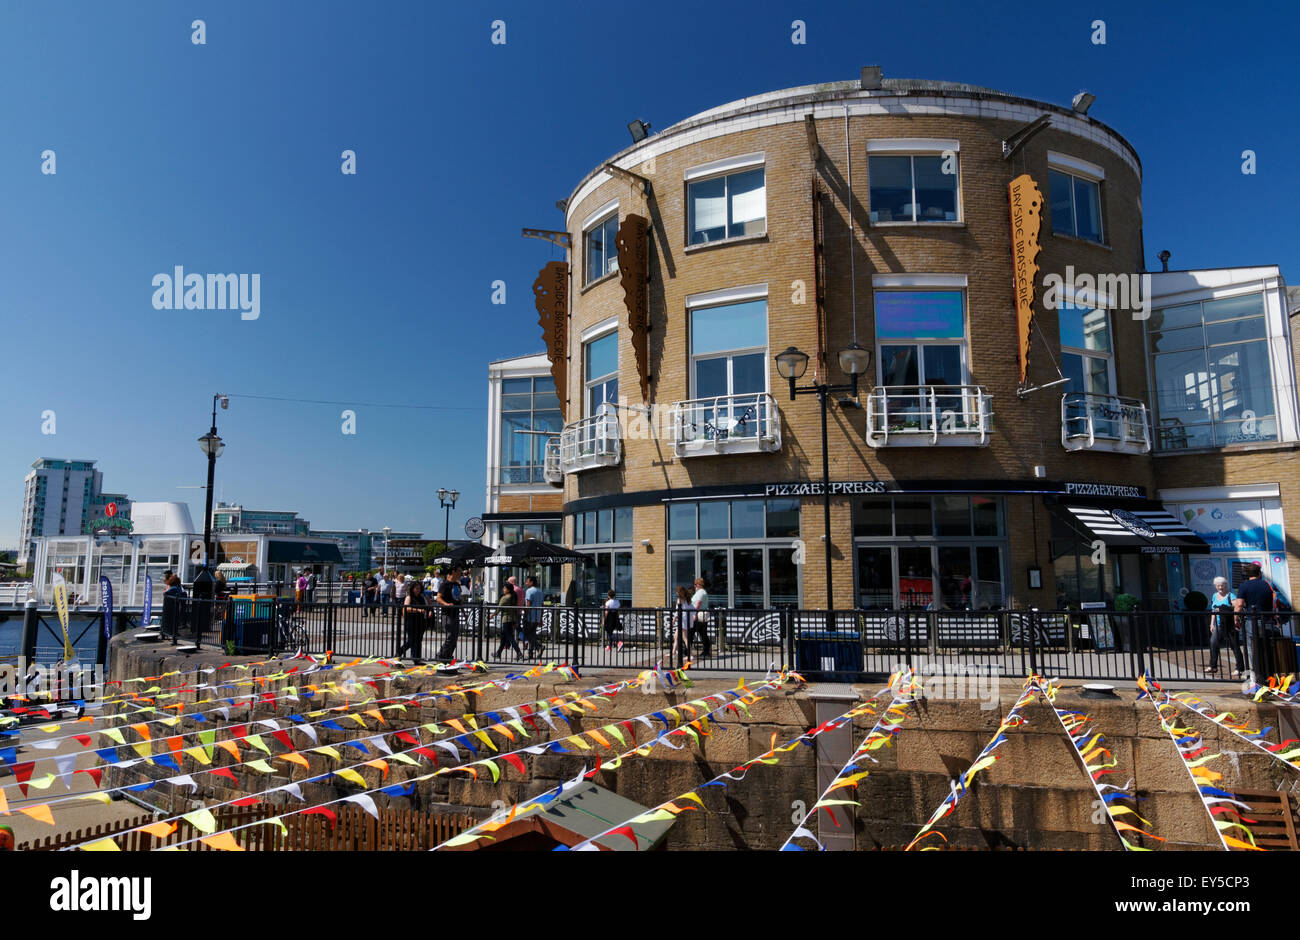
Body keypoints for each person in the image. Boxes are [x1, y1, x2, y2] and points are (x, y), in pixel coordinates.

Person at [1206, 576, 1243, 677]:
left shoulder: (1231, 595)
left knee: (1234, 646)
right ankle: (1213, 666)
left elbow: (1236, 608)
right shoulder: (1214, 596)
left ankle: (1239, 668)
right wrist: (1211, 623)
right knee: (1213, 642)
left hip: (1230, 624)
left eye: (1222, 585)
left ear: (1226, 585)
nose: (1220, 588)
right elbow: (1213, 610)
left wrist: (1234, 619)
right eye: (1218, 586)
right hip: (1219, 624)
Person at [396, 580, 432, 664]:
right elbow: (406, 608)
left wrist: (430, 610)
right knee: (411, 640)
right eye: (416, 588)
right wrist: (418, 610)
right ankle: (398, 654)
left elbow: (430, 605)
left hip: (421, 621)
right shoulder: (409, 597)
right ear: (412, 589)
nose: (418, 590)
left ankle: (417, 659)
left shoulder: (423, 597)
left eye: (419, 588)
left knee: (418, 640)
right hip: (411, 621)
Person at [435, 566, 463, 662]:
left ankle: (448, 656)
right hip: (447, 614)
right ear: (453, 571)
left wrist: (463, 611)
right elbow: (438, 598)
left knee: (454, 637)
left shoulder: (457, 585)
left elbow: (459, 599)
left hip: (456, 613)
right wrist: (446, 604)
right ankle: (441, 655)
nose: (460, 573)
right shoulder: (445, 584)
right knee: (450, 636)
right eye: (459, 571)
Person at [495, 581, 523, 659]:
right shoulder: (514, 597)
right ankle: (498, 653)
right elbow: (515, 610)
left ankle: (519, 652)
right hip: (512, 618)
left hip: (506, 619)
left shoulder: (504, 598)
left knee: (510, 637)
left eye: (504, 588)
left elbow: (498, 608)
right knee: (504, 637)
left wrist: (492, 615)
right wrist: (516, 620)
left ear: (508, 589)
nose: (503, 590)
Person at [670, 584, 692, 668]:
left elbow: (677, 611)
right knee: (676, 636)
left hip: (682, 619)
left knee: (684, 637)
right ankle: (673, 652)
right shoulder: (687, 598)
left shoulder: (680, 599)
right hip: (684, 619)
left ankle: (689, 653)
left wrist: (673, 620)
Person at [689, 577, 711, 658]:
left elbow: (698, 604)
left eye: (695, 584)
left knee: (692, 633)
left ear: (699, 584)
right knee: (701, 633)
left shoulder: (701, 592)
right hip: (698, 615)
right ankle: (706, 651)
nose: (694, 586)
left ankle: (687, 651)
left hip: (699, 615)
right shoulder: (699, 592)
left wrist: (694, 614)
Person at [161, 574, 187, 641]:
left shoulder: (174, 588)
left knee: (169, 621)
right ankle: (173, 634)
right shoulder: (178, 587)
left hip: (170, 608)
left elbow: (165, 593)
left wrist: (165, 591)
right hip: (175, 607)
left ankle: (168, 633)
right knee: (174, 621)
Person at [523, 575, 543, 658]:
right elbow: (542, 605)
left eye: (527, 581)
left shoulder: (529, 591)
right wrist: (541, 618)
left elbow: (528, 604)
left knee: (527, 634)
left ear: (531, 582)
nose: (526, 583)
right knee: (533, 634)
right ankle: (530, 653)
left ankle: (539, 646)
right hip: (537, 616)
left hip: (530, 616)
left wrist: (525, 615)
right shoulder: (540, 591)